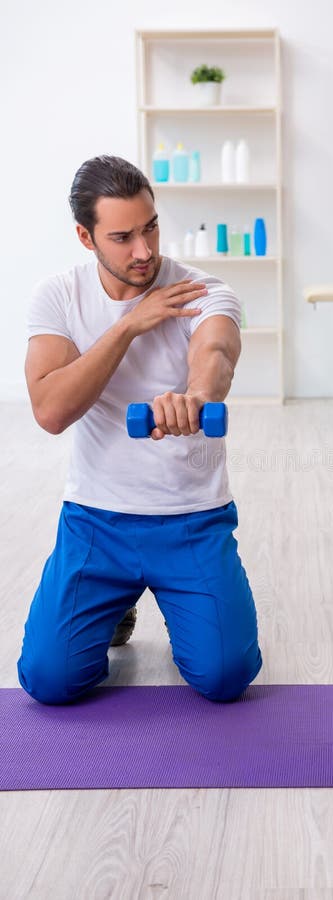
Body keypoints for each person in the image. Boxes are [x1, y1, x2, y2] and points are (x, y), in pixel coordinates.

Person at [18, 155, 262, 704]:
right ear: (86, 237)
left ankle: (181, 607)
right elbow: (51, 412)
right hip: (96, 522)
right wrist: (127, 327)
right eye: (123, 236)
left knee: (225, 678)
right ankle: (115, 603)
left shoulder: (200, 289)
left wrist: (197, 396)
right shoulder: (59, 295)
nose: (145, 250)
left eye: (150, 227)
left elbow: (217, 350)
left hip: (191, 520)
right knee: (49, 682)